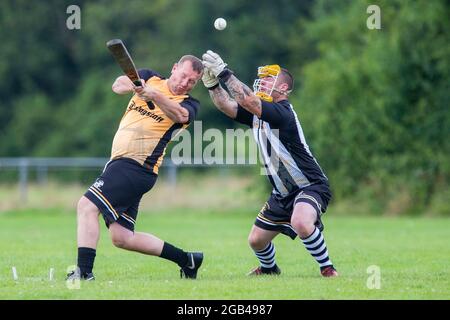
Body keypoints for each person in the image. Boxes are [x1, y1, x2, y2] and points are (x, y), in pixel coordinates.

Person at [67, 55, 204, 281]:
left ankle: (84, 273)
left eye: (191, 81)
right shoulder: (149, 77)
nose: (185, 83)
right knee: (122, 237)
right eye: (183, 76)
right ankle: (187, 260)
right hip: (121, 164)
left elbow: (180, 115)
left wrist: (154, 95)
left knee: (86, 206)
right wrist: (136, 86)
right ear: (174, 68)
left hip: (136, 166)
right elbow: (117, 84)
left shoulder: (189, 103)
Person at [201, 50, 338, 277]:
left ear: (283, 89)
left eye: (268, 80)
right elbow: (227, 105)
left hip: (310, 185)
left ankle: (327, 268)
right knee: (256, 241)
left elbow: (246, 100)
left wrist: (225, 73)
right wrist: (212, 84)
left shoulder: (281, 112)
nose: (262, 83)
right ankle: (269, 269)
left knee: (302, 222)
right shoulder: (259, 112)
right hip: (281, 193)